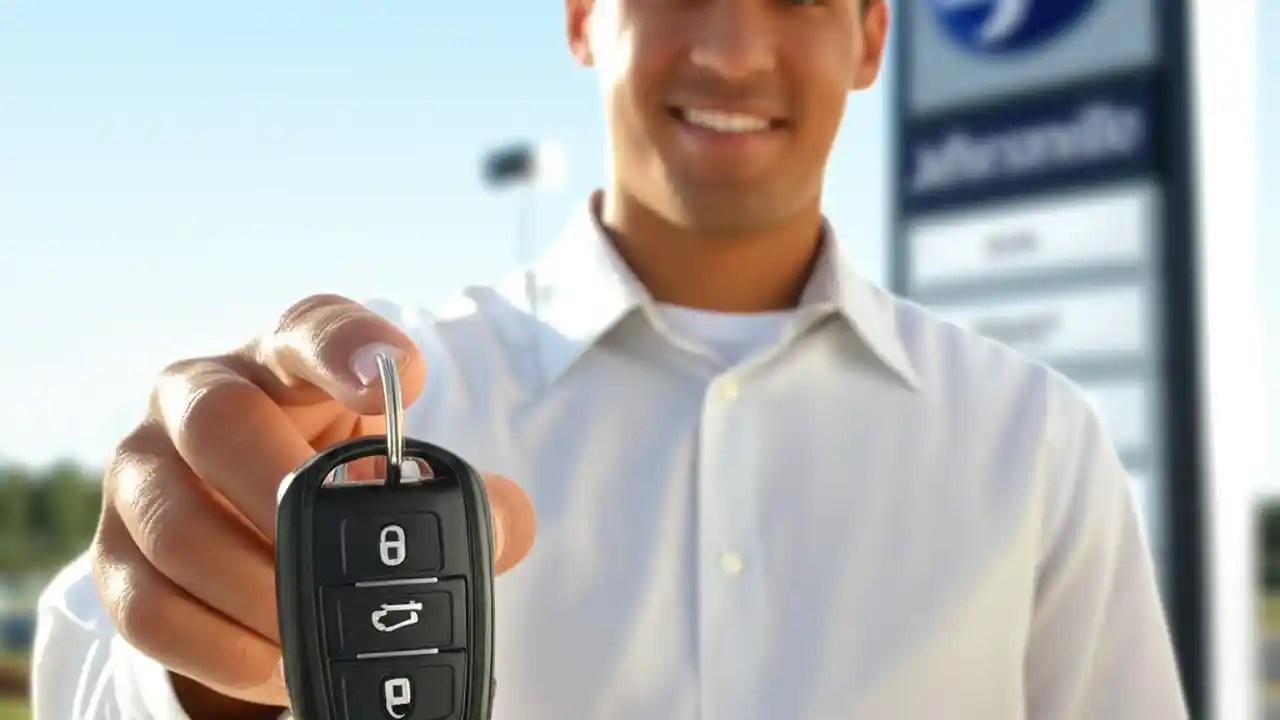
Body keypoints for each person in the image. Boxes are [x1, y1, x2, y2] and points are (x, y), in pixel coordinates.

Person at [31, 0, 1189, 718]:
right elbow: (85, 689)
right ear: (583, 15)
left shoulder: (1032, 437)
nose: (735, 49)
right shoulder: (369, 413)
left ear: (869, 36)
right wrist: (205, 676)